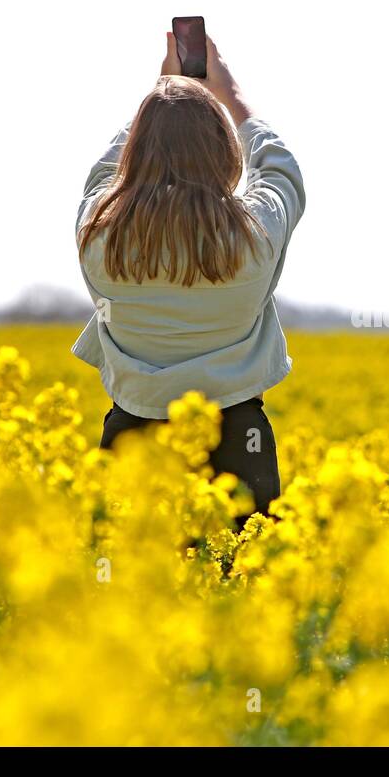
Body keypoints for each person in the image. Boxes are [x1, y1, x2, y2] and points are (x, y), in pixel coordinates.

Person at [71, 30, 305, 516]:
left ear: (135, 149)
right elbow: (281, 171)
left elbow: (101, 176)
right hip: (239, 441)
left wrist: (160, 96)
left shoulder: (97, 236)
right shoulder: (252, 238)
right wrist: (231, 95)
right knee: (235, 582)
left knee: (132, 586)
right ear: (222, 152)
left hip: (131, 438)